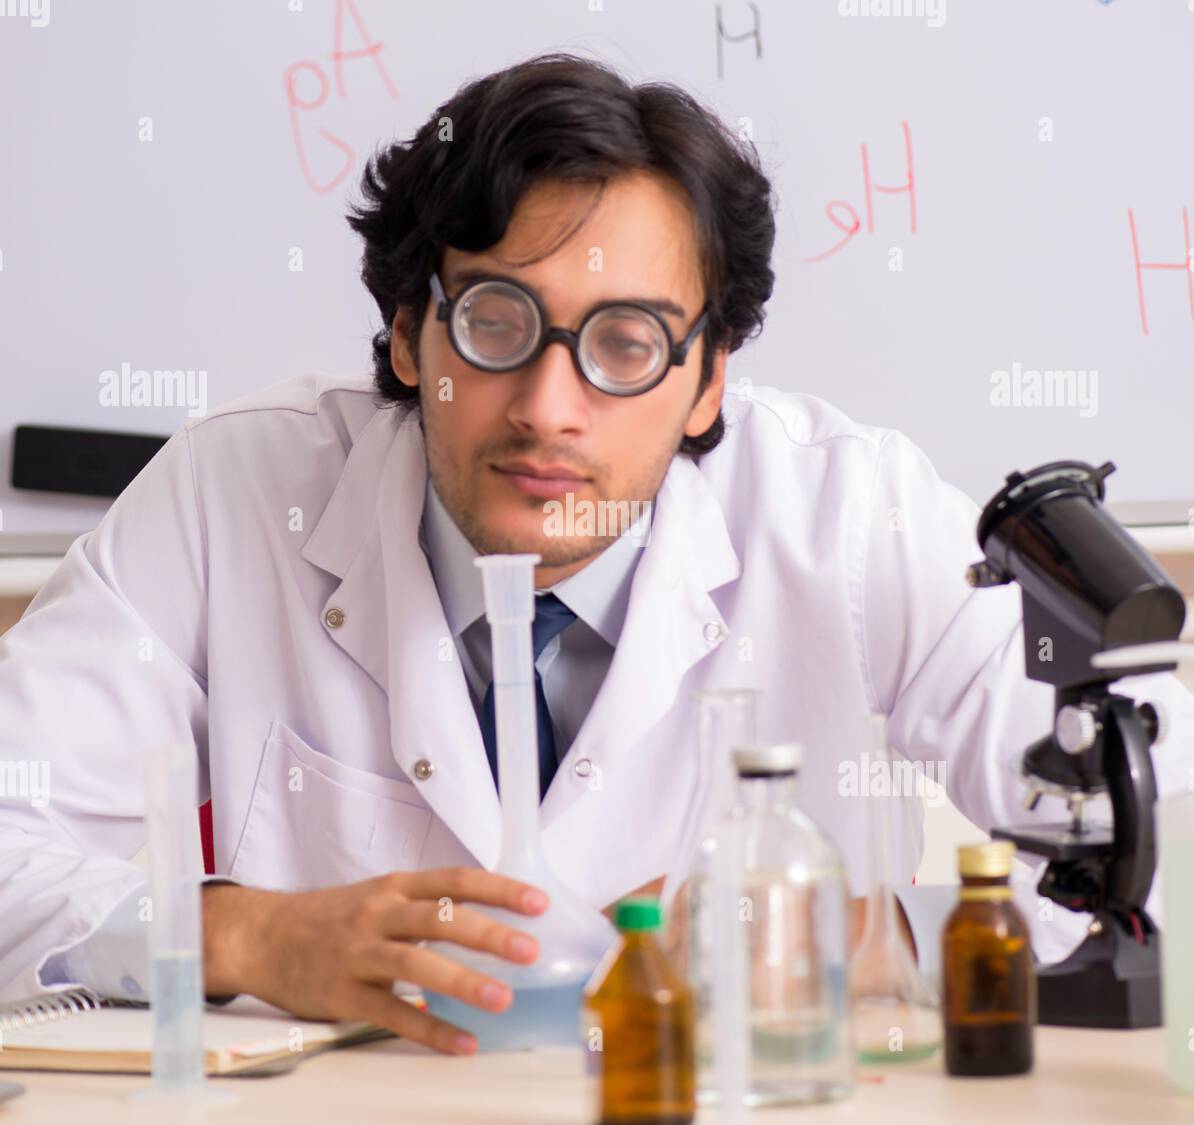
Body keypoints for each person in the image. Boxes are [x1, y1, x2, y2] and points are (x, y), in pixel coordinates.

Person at [1, 53, 1188, 1054]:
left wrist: (857, 936)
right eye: (498, 324)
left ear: (708, 376)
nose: (549, 410)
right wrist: (249, 937)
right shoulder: (235, 491)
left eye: (626, 342)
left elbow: (1163, 853)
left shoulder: (849, 514)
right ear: (411, 333)